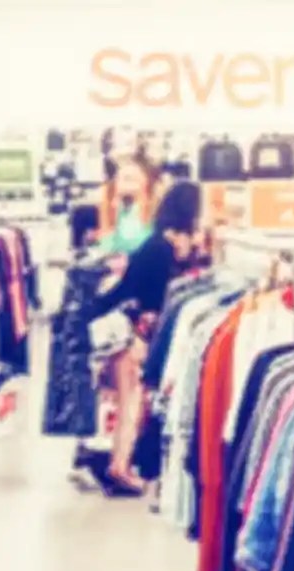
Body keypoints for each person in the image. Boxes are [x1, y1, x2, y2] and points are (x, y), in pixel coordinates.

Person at [87, 181, 201, 494]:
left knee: (129, 401)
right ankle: (119, 467)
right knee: (130, 402)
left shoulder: (156, 243)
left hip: (120, 328)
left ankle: (119, 464)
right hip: (129, 334)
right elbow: (151, 302)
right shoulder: (161, 250)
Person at [94, 153, 156, 256]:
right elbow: (106, 246)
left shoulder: (154, 207)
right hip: (116, 260)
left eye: (132, 179)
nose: (128, 185)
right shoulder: (111, 205)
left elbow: (149, 243)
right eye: (124, 179)